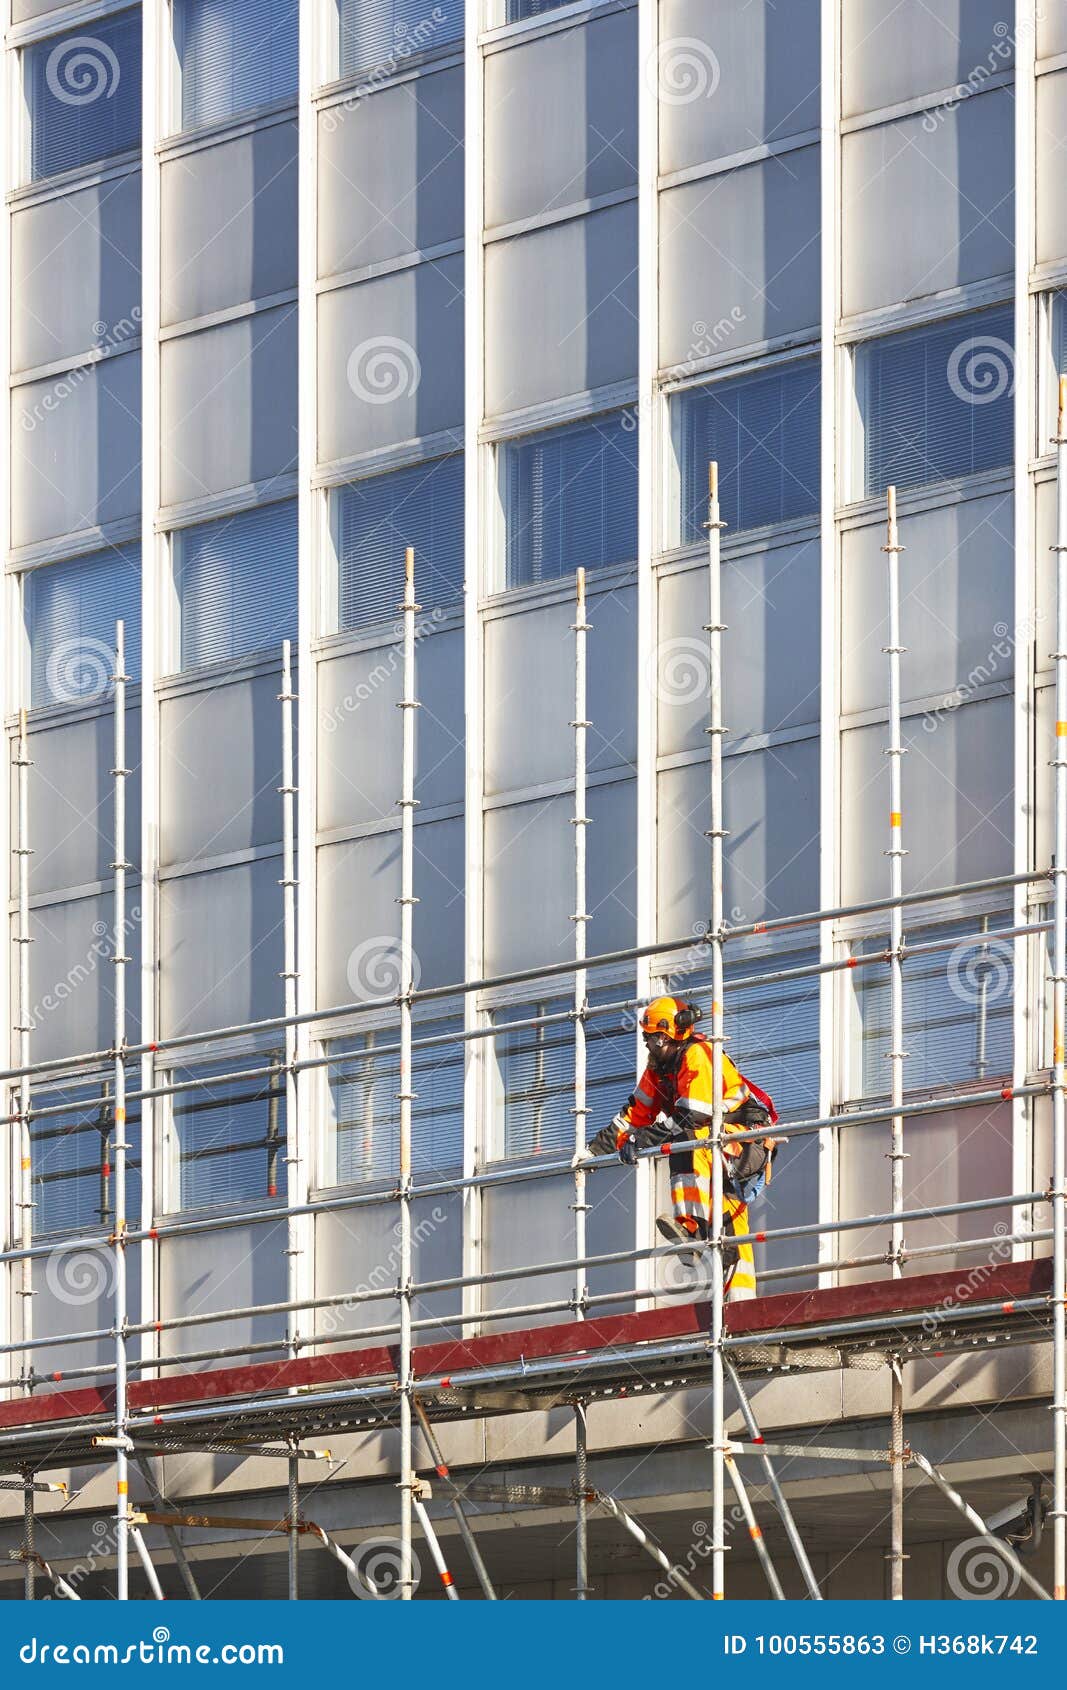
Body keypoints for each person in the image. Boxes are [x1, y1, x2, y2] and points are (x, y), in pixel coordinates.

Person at [586, 996, 777, 1302]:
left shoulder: (698, 1054)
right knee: (730, 1222)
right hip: (722, 1142)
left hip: (744, 1139)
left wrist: (643, 1139)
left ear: (674, 1034)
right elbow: (636, 1111)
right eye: (647, 1038)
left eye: (656, 1039)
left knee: (686, 1140)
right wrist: (595, 1149)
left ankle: (694, 1229)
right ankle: (741, 1303)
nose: (650, 1045)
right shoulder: (659, 1069)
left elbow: (694, 1115)